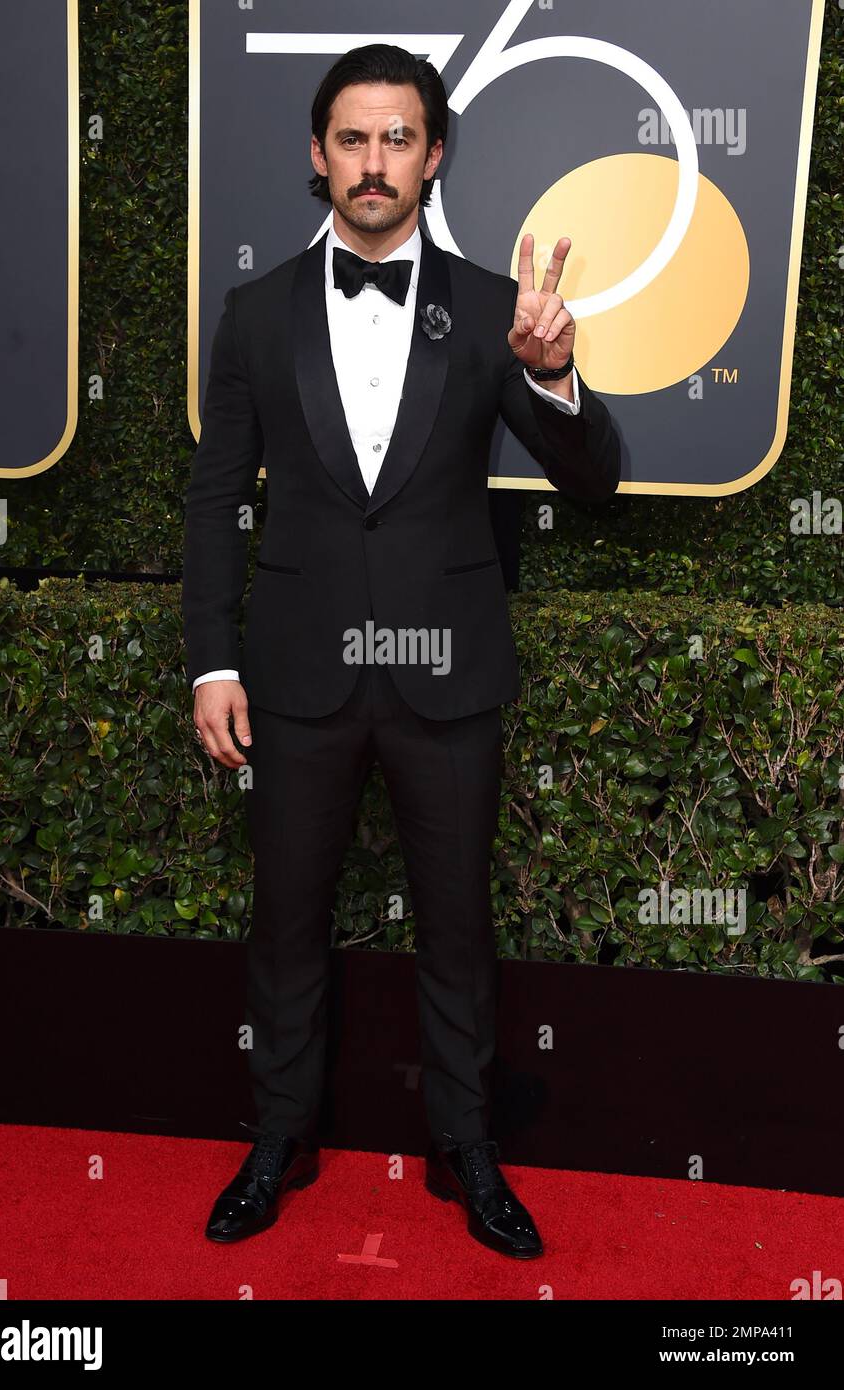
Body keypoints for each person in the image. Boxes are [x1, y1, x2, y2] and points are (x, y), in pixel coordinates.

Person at [182, 43, 621, 1260]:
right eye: (350, 139)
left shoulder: (494, 310)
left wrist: (557, 373)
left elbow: (594, 482)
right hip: (295, 676)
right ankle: (277, 1139)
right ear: (317, 157)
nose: (372, 163)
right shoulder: (255, 310)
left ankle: (466, 1148)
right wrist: (210, 661)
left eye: (398, 139)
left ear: (433, 157)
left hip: (448, 671)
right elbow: (216, 495)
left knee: (457, 924)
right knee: (284, 922)